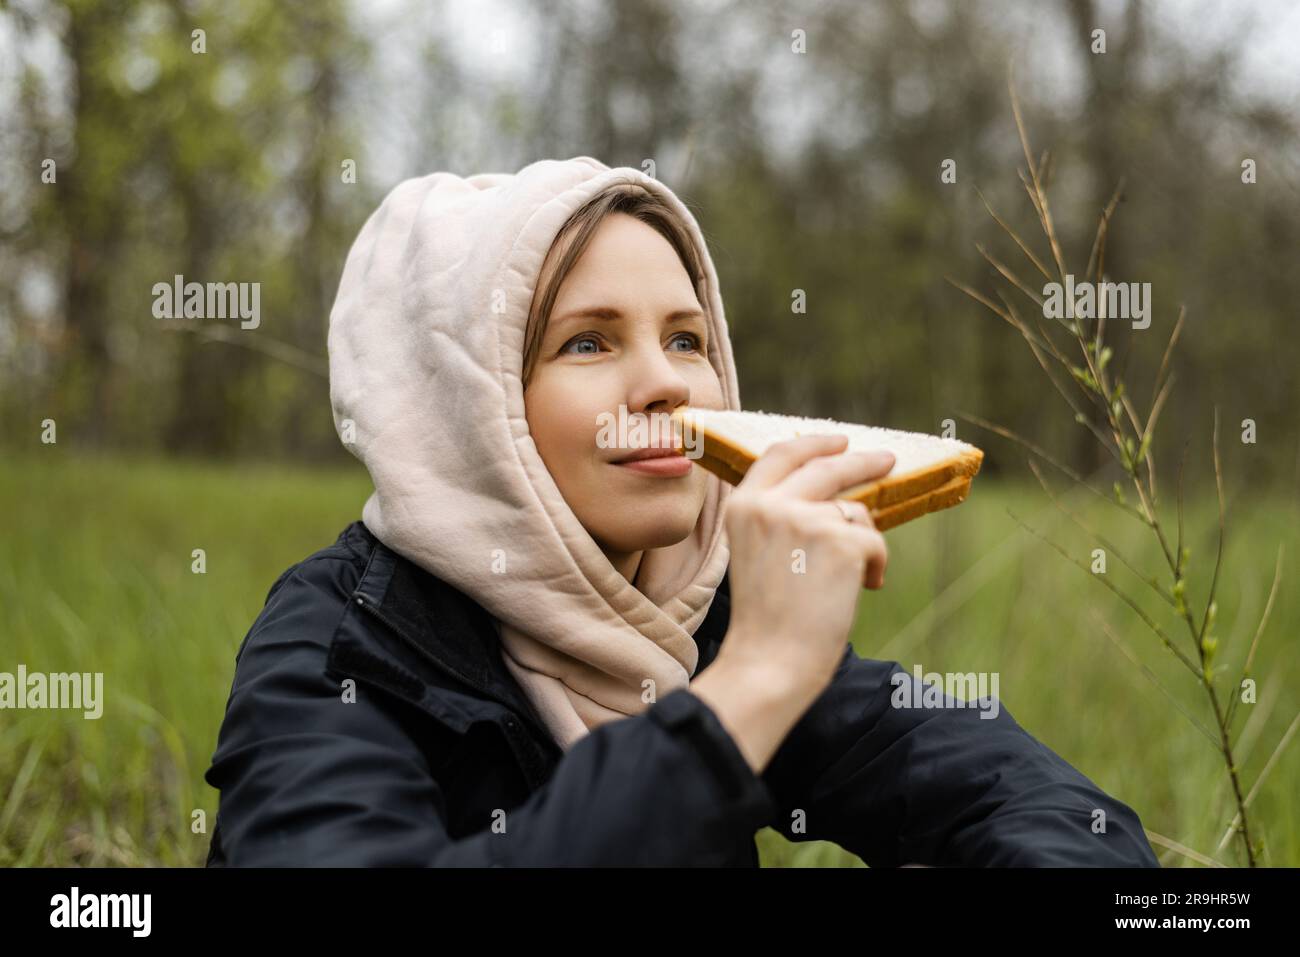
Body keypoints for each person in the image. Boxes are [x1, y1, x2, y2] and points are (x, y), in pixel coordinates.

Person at [202, 157, 1160, 867]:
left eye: (686, 336)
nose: (666, 382)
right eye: (587, 342)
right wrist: (746, 691)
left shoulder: (699, 614)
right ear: (466, 407)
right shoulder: (342, 643)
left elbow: (1042, 807)